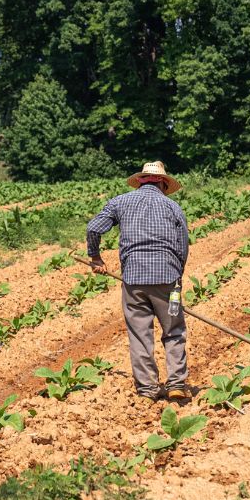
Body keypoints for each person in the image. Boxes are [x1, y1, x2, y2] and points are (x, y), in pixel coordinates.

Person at [87, 161, 190, 402]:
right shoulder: (173, 206)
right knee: (174, 330)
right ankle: (176, 383)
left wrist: (95, 257)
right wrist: (177, 276)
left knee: (140, 333)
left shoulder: (120, 202)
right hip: (168, 279)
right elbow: (183, 245)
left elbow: (94, 228)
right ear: (163, 184)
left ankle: (147, 389)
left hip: (133, 280)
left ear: (141, 181)